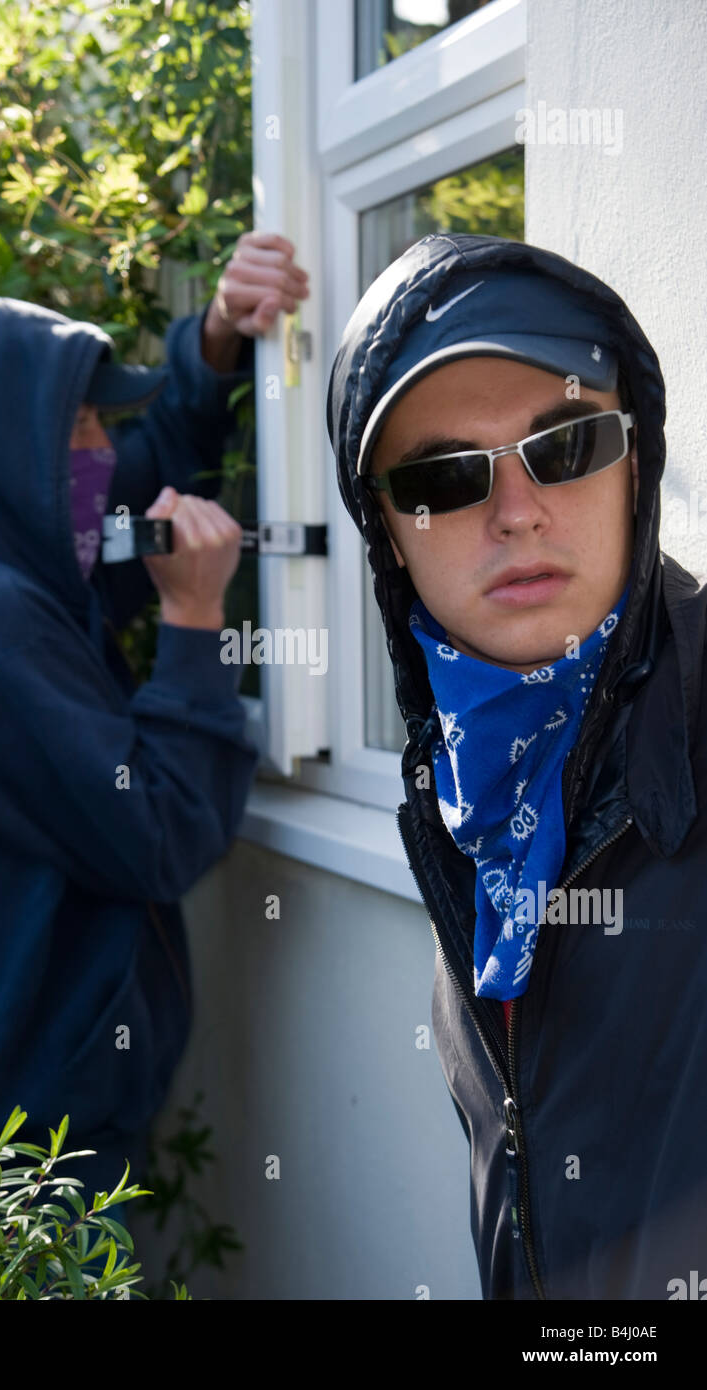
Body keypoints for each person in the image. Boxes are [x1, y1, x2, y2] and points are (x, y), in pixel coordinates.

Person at [0, 232, 309, 1221]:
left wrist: (224, 333)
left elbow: (155, 469)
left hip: (14, 1103)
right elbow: (156, 832)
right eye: (79, 426)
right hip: (11, 1148)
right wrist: (195, 619)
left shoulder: (0, 561)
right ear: (2, 443)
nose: (104, 449)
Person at [327, 231, 707, 1301]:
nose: (517, 510)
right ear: (387, 537)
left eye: (569, 442)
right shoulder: (462, 793)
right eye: (444, 477)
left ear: (637, 462)